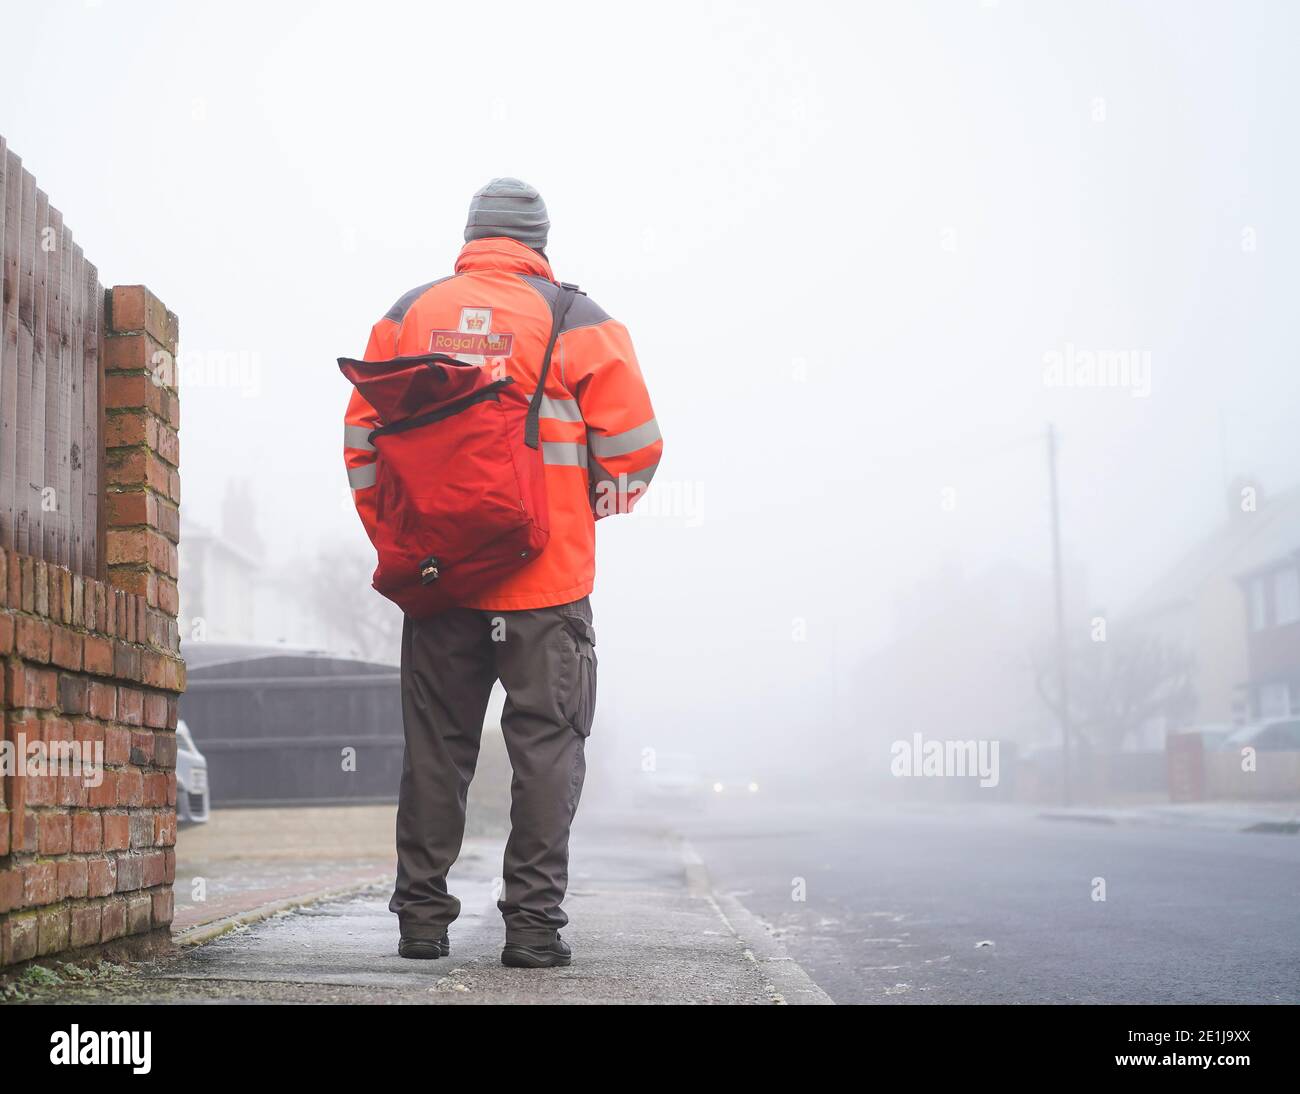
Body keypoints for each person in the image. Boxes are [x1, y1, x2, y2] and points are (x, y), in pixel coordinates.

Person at [343, 178, 662, 968]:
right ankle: (531, 930)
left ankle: (420, 923)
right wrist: (583, 508)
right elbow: (635, 452)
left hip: (440, 581)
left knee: (435, 750)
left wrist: (405, 537)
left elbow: (364, 449)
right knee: (546, 751)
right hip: (546, 588)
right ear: (540, 244)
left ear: (471, 235)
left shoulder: (408, 315)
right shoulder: (581, 321)